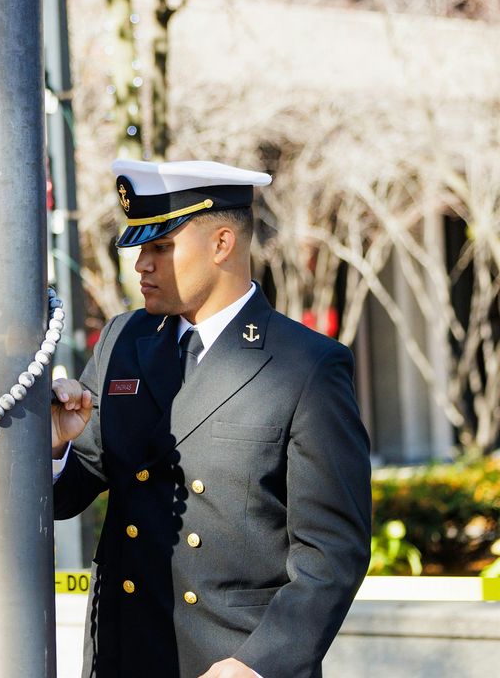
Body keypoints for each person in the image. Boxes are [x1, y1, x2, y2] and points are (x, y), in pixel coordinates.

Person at [50, 160, 371, 678]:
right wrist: (57, 446)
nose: (141, 266)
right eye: (140, 248)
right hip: (124, 654)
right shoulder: (124, 341)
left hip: (232, 661)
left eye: (160, 247)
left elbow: (331, 551)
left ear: (222, 244)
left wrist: (260, 663)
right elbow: (69, 495)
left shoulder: (305, 364)